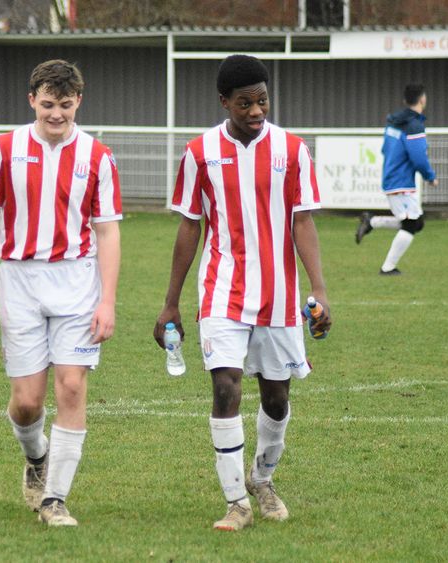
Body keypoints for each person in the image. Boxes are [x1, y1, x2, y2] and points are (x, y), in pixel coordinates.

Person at [153, 55, 331, 532]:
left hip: (278, 294)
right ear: (224, 102)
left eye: (263, 100)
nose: (256, 110)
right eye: (245, 102)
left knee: (276, 399)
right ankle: (237, 502)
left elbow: (303, 220)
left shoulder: (293, 151)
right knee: (225, 385)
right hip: (221, 289)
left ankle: (263, 479)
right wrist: (170, 302)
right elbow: (190, 226)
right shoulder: (199, 152)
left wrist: (318, 289)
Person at [0, 60, 122, 527]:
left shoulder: (98, 156)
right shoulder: (5, 149)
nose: (57, 115)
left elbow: (108, 232)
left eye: (66, 106)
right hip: (19, 281)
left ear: (80, 102)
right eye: (48, 105)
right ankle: (36, 459)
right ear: (32, 99)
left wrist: (108, 300)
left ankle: (55, 498)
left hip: (77, 281)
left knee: (71, 386)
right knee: (28, 400)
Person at [355, 83, 437, 275]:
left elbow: (385, 149)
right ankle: (387, 267)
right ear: (422, 99)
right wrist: (430, 177)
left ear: (404, 101)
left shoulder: (393, 122)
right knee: (412, 224)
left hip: (393, 178)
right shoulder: (414, 125)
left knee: (417, 222)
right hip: (400, 182)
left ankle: (371, 222)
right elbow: (418, 157)